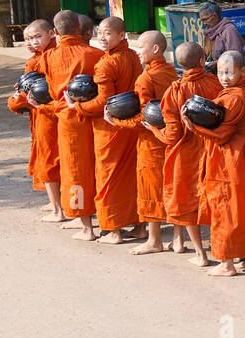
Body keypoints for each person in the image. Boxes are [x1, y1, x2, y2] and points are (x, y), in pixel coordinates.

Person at [185, 50, 245, 277]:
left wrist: (194, 126)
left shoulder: (234, 97)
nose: (224, 77)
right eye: (221, 72)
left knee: (226, 210)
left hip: (229, 162)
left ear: (242, 71)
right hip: (243, 160)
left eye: (230, 72)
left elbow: (221, 133)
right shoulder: (243, 93)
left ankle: (227, 263)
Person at [107, 30, 176, 255]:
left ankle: (154, 240)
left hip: (151, 142)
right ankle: (178, 239)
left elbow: (146, 117)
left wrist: (117, 121)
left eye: (142, 47)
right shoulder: (170, 71)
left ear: (155, 49)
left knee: (151, 189)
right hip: (172, 139)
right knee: (171, 187)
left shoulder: (145, 78)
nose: (138, 52)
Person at [76, 17, 143, 245]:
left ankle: (113, 230)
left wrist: (77, 106)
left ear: (122, 35)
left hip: (109, 127)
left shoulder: (106, 64)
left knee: (109, 177)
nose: (101, 38)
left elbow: (103, 102)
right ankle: (139, 225)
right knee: (131, 175)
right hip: (131, 124)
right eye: (99, 33)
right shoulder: (133, 56)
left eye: (108, 34)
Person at [39, 10, 104, 241]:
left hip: (68, 119)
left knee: (75, 168)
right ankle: (104, 218)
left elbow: (47, 88)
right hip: (97, 116)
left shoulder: (47, 58)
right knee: (99, 166)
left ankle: (87, 225)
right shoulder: (95, 54)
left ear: (55, 32)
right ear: (80, 29)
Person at [158, 41, 223, 264]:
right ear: (203, 61)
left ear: (178, 64)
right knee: (215, 198)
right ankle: (221, 248)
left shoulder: (174, 91)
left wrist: (155, 131)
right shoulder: (216, 83)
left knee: (186, 201)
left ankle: (200, 254)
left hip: (185, 155)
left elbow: (172, 134)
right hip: (213, 149)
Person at [8, 18, 62, 221]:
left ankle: (59, 209)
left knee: (49, 158)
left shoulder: (49, 59)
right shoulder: (38, 59)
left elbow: (34, 92)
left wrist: (14, 101)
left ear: (52, 33)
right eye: (28, 39)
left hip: (48, 114)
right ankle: (55, 201)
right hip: (44, 114)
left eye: (37, 37)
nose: (32, 42)